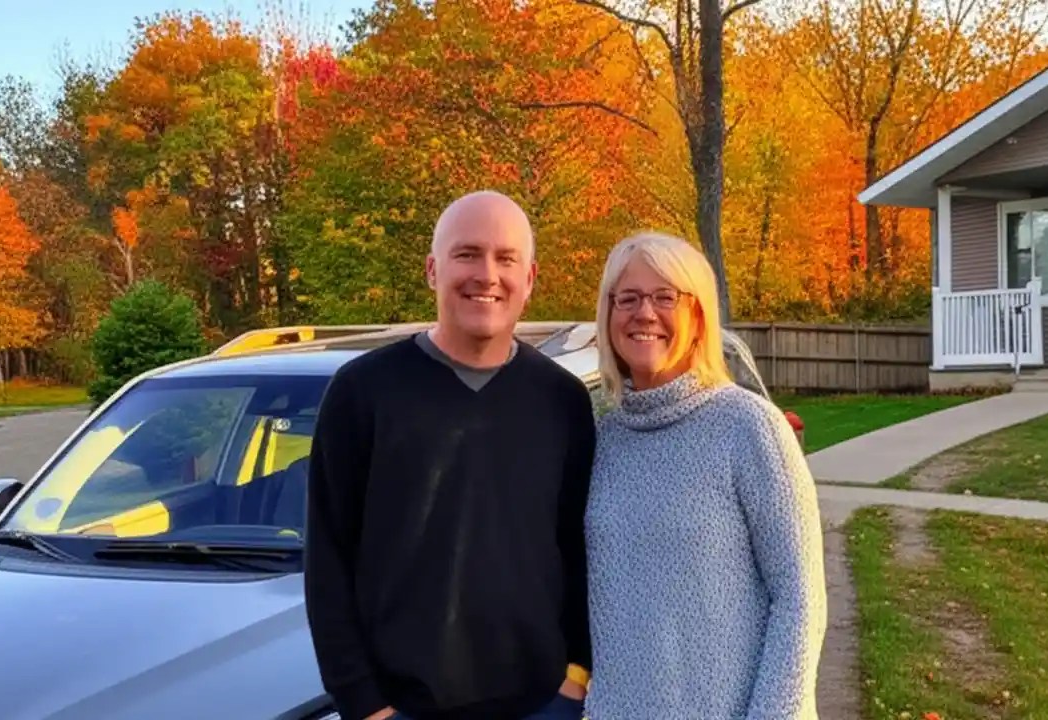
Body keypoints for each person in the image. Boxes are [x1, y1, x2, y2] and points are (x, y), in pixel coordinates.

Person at [303, 190, 596, 720]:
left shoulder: (563, 401)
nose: (487, 274)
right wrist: (365, 704)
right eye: (467, 254)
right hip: (403, 708)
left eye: (506, 258)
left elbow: (581, 550)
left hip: (544, 705)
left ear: (529, 280)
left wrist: (576, 675)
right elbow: (327, 561)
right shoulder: (363, 394)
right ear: (432, 271)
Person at [582, 231, 827, 719]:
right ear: (608, 315)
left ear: (698, 316)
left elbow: (800, 599)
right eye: (626, 298)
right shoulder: (601, 440)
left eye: (665, 297)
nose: (644, 313)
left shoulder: (749, 428)